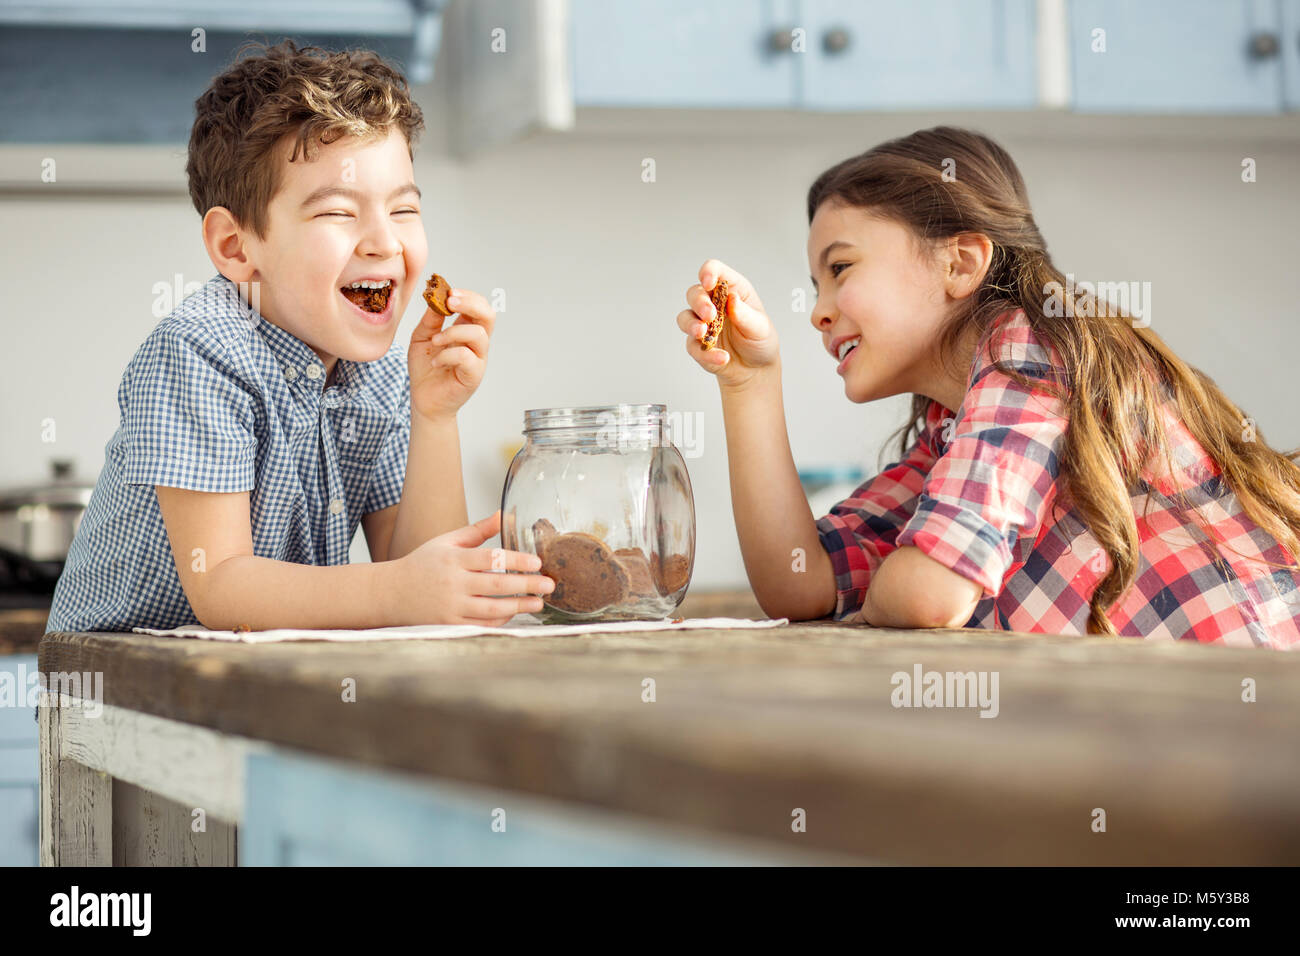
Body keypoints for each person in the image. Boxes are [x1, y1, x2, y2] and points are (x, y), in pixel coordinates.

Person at [677, 126, 1300, 648]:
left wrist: (891, 593)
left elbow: (929, 592)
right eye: (816, 287)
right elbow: (801, 582)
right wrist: (750, 382)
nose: (818, 310)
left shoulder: (1032, 352)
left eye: (840, 269)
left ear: (960, 263)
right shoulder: (954, 433)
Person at [47, 41, 553, 633]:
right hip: (119, 694)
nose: (384, 243)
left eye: (403, 210)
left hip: (255, 685)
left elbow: (427, 583)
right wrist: (398, 591)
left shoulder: (381, 373)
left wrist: (435, 415)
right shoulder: (201, 349)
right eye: (339, 212)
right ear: (237, 248)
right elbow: (223, 586)